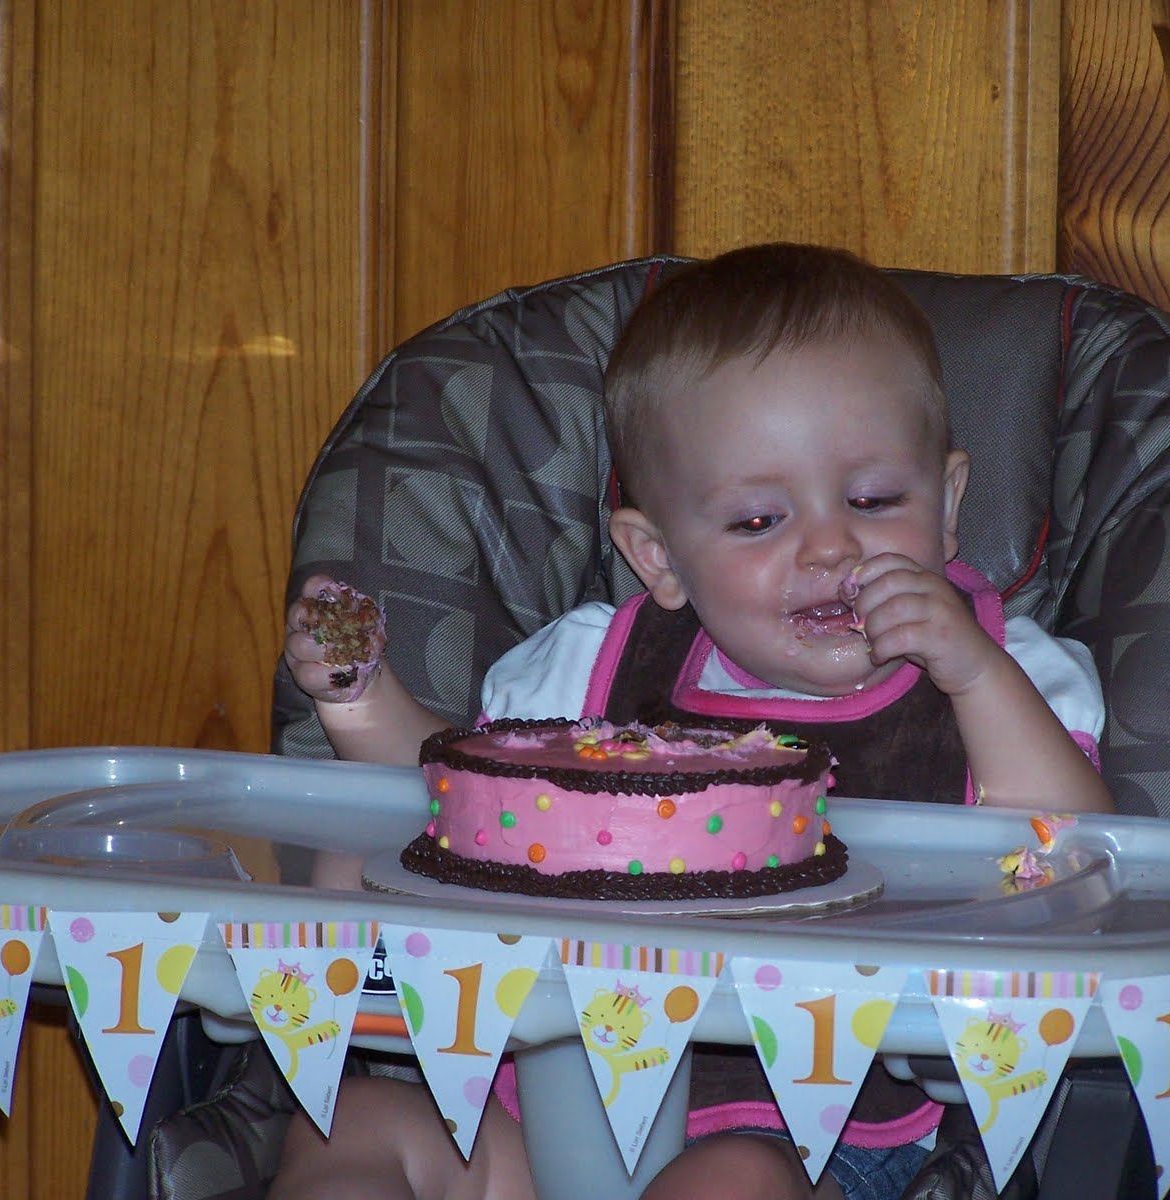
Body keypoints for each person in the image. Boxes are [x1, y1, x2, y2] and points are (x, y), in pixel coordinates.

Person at [271, 243, 1114, 1200]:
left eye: (875, 501)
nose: (832, 545)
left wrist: (972, 673)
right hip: (547, 1116)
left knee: (727, 1180)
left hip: (818, 1142)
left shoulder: (1007, 679)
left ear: (949, 503)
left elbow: (1081, 857)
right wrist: (357, 698)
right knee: (350, 1124)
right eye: (758, 521)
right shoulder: (590, 668)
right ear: (657, 557)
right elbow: (445, 800)